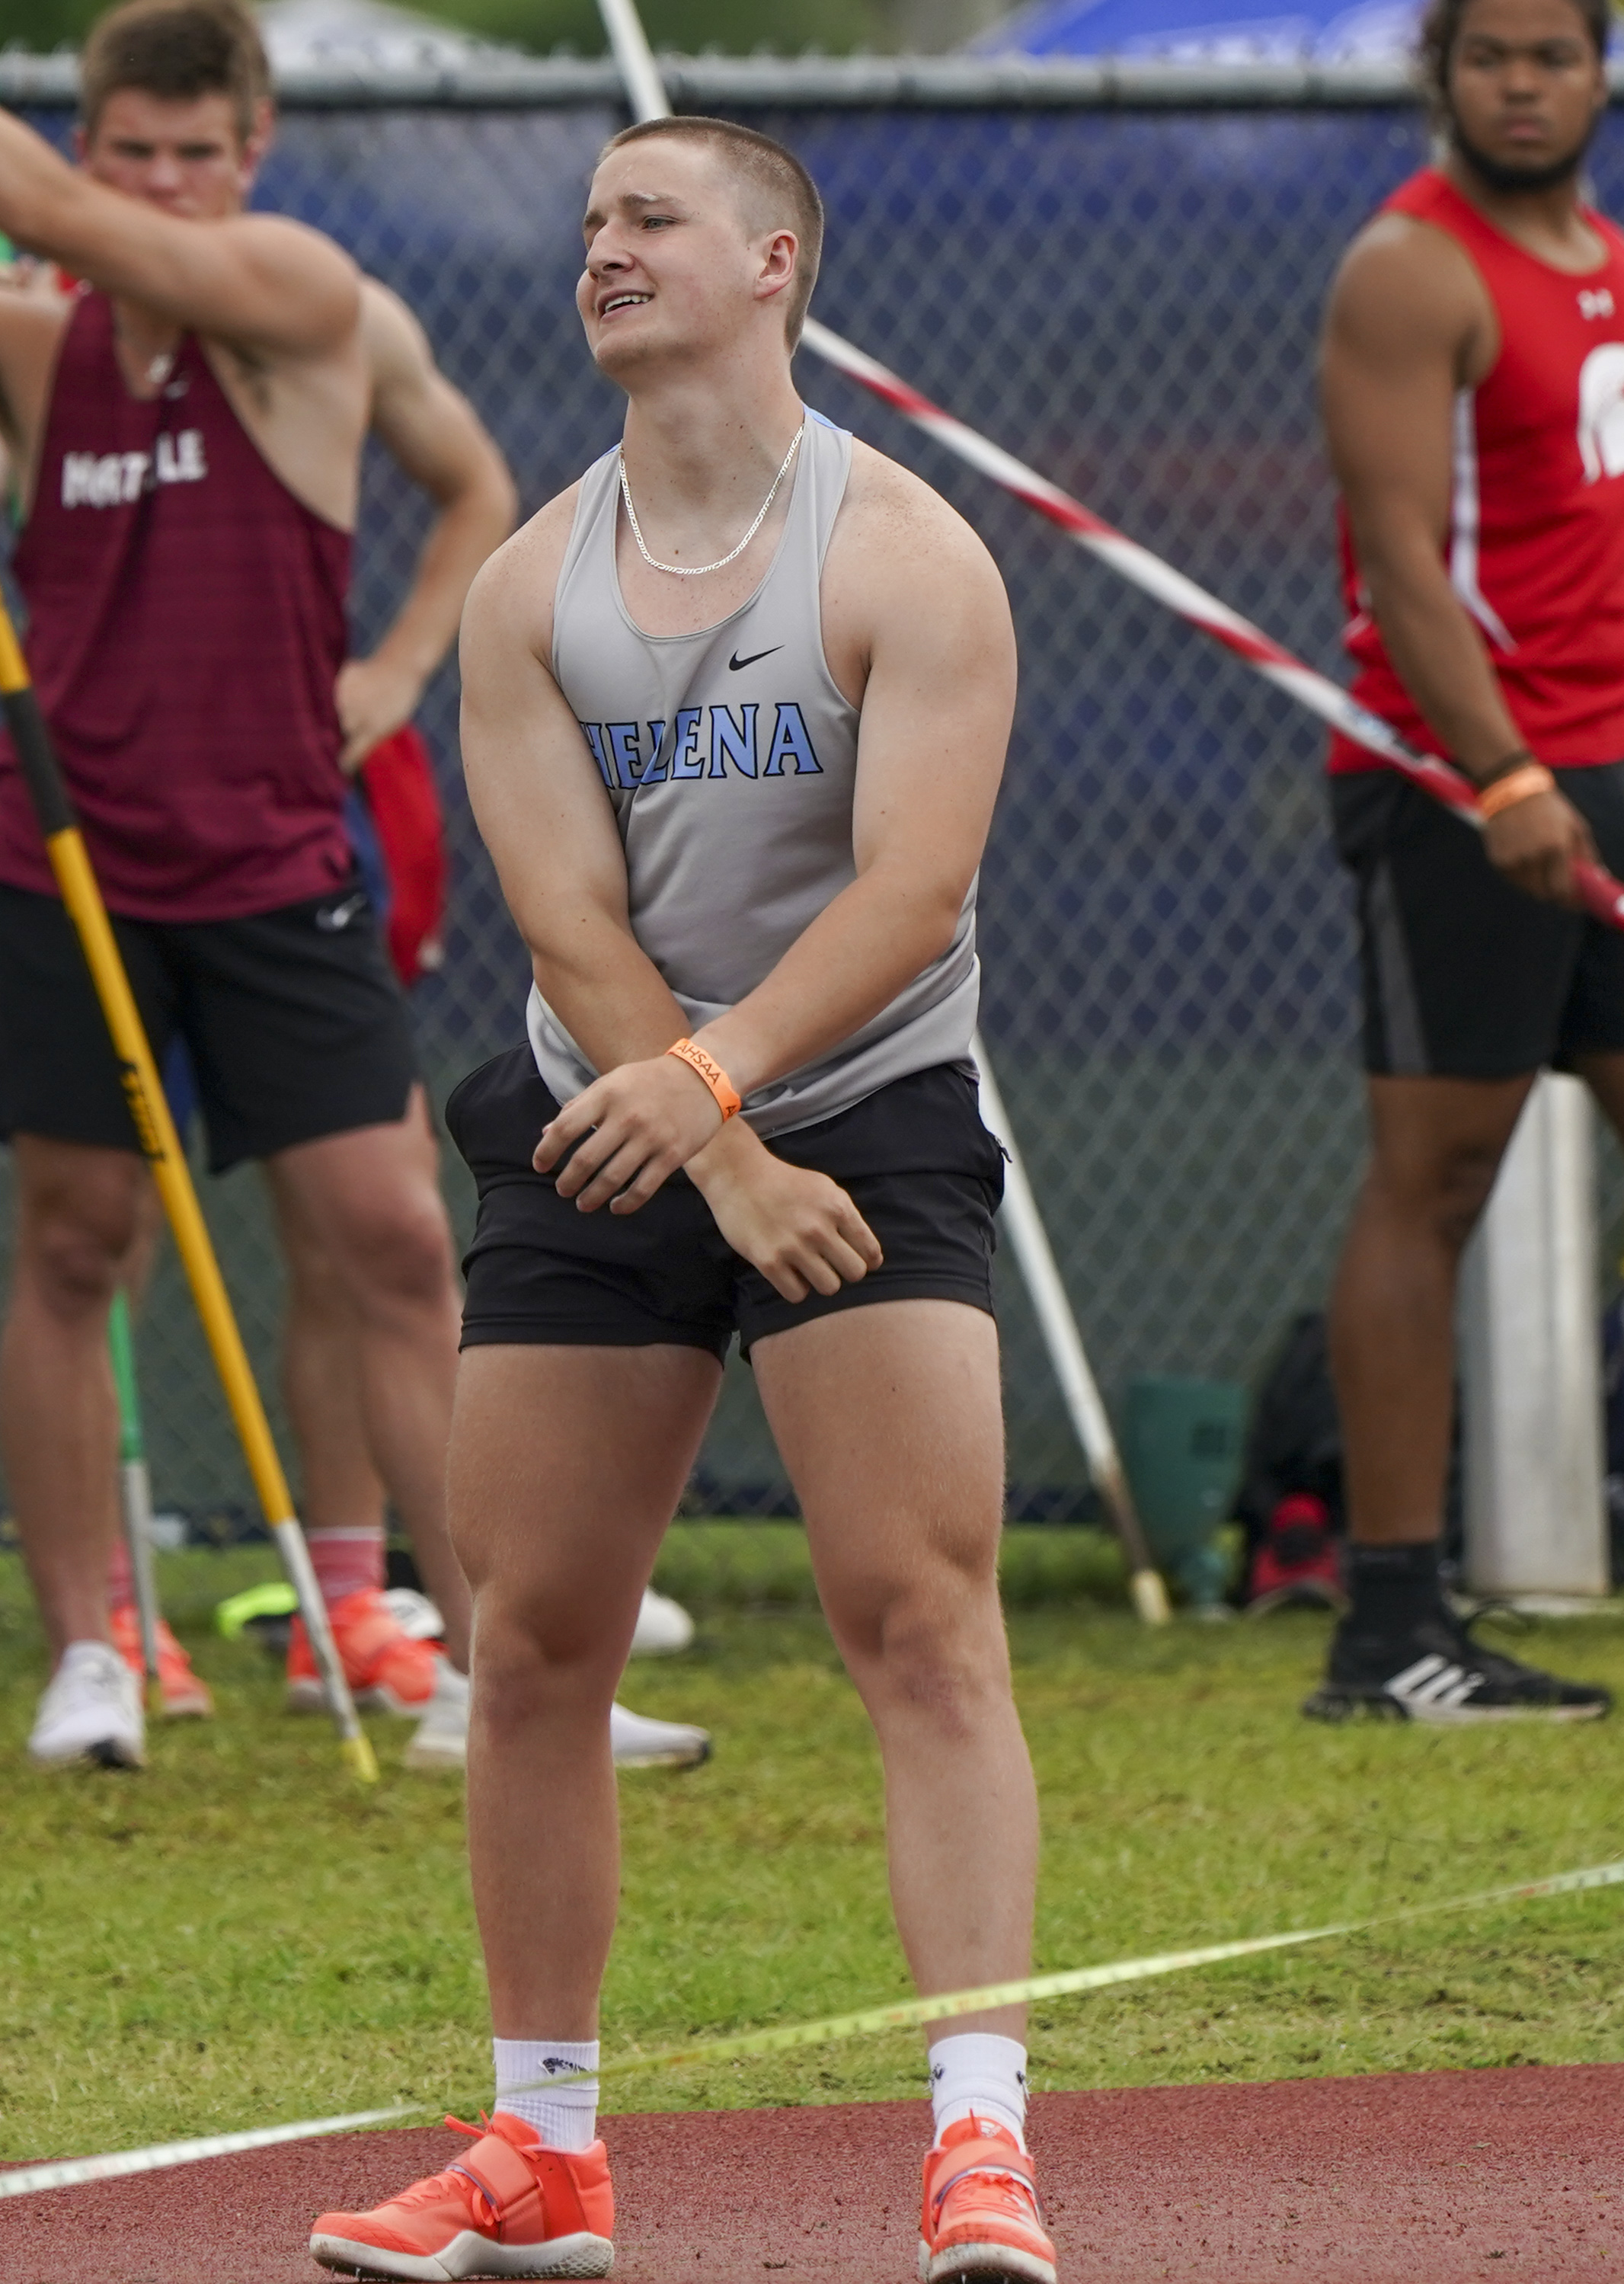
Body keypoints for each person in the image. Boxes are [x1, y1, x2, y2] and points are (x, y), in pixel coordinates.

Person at [310, 115, 1056, 2284]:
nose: (603, 247)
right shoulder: (534, 581)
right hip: (617, 1115)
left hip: (868, 1104)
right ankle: (540, 2159)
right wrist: (709, 1138)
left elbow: (915, 888)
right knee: (528, 1631)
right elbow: (559, 908)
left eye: (650, 217)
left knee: (916, 1613)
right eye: (588, 224)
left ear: (773, 262)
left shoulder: (907, 553)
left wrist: (742, 1097)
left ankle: (980, 2140)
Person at [0, 0, 512, 1771]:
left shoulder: (305, 297)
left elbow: (475, 490)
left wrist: (397, 670)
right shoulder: (34, 344)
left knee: (388, 1229)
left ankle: (490, 1670)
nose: (162, 187)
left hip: (275, 849)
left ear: (253, 148)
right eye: (125, 153)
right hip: (64, 855)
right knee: (77, 1240)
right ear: (89, 146)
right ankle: (89, 1651)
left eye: (193, 155)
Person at [1309, 0, 1624, 1722]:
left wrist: (1608, 761)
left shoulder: (1622, 267)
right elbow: (1401, 560)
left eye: (1552, 53)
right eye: (1489, 53)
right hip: (1457, 785)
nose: (1522, 82)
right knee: (1436, 1179)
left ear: (1601, 71)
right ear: (1442, 69)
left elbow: (1603, 548)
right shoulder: (1405, 272)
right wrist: (1497, 767)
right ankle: (1391, 1630)